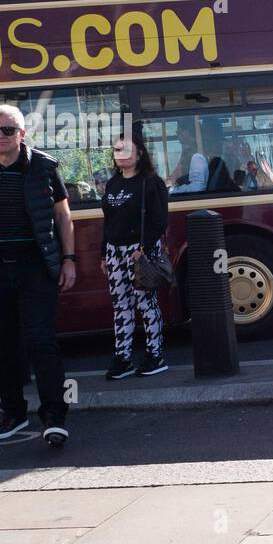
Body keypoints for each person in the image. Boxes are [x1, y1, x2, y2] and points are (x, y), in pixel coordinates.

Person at [0, 104, 76, 445]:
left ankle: (54, 415)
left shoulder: (44, 166)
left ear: (22, 134)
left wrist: (68, 259)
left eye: (7, 130)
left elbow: (63, 217)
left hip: (36, 267)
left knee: (41, 340)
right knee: (2, 345)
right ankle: (12, 412)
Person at [101, 127, 169, 380]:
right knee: (121, 306)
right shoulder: (113, 182)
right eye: (117, 150)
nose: (121, 154)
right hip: (114, 251)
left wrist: (143, 249)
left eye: (127, 149)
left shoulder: (151, 182)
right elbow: (107, 222)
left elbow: (160, 220)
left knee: (145, 302)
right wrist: (102, 255)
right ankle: (123, 357)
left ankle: (155, 354)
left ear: (140, 153)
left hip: (139, 251)